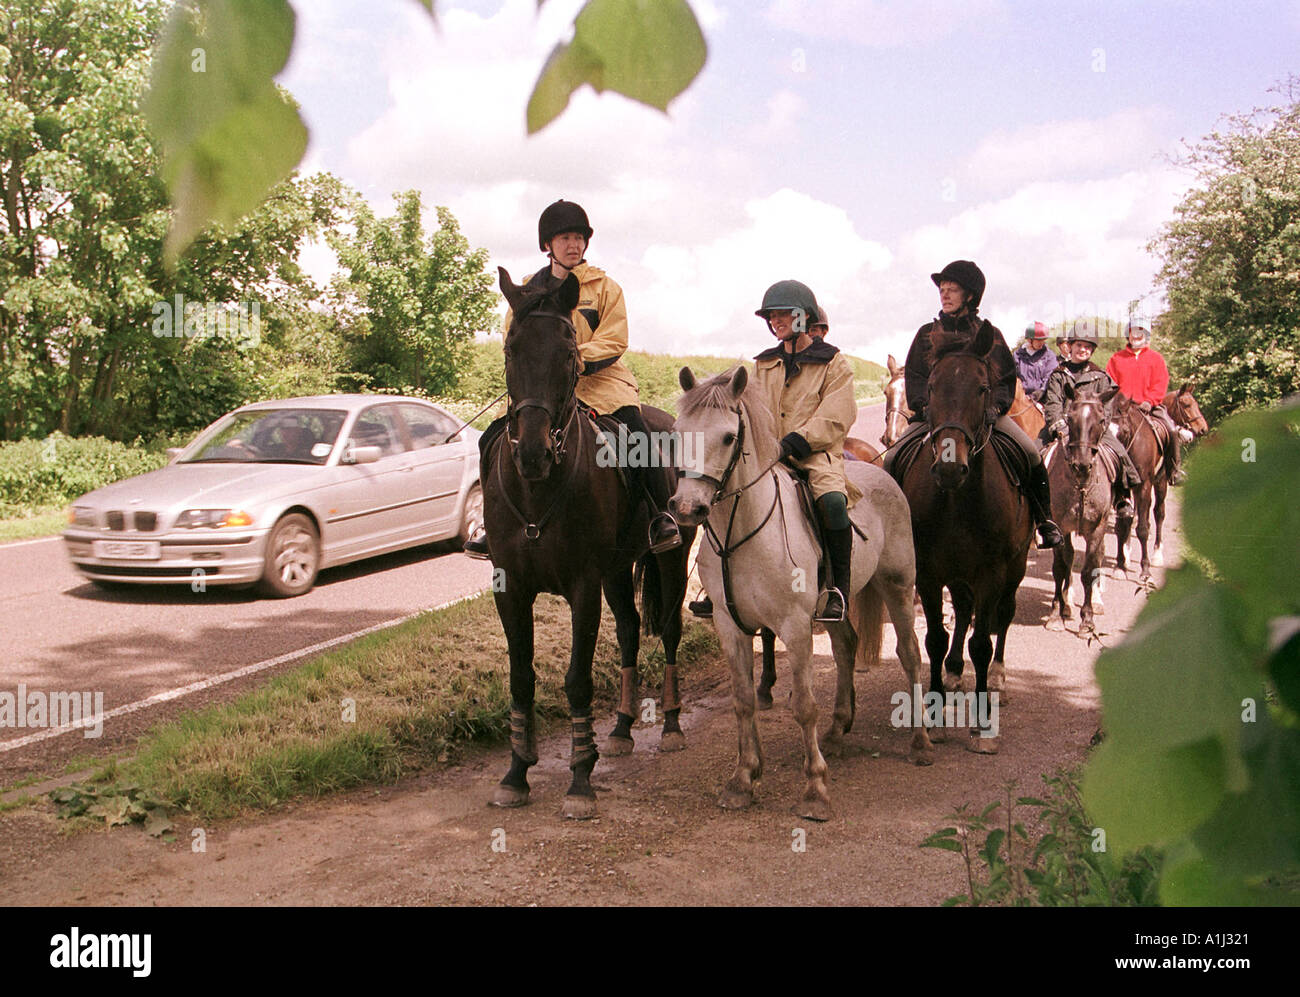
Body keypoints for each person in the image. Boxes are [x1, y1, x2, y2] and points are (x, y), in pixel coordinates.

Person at [463, 199, 681, 558]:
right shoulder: (525, 293)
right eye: (565, 237)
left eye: (579, 238)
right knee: (491, 438)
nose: (574, 245)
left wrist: (576, 359)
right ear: (548, 244)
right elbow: (514, 339)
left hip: (602, 386)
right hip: (543, 392)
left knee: (638, 436)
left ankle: (659, 517)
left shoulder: (604, 288)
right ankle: (491, 524)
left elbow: (614, 338)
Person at [690, 281, 859, 624]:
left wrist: (795, 441)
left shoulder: (834, 363)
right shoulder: (763, 364)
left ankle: (837, 588)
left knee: (833, 503)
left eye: (782, 314)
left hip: (814, 455)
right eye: (772, 316)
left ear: (803, 316)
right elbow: (749, 409)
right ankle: (716, 586)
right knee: (722, 494)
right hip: (767, 456)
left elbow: (837, 415)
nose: (775, 321)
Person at [882, 260, 1063, 548]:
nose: (945, 294)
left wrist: (995, 409)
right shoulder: (926, 335)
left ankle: (1044, 521)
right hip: (934, 418)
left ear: (970, 295)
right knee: (891, 459)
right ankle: (887, 528)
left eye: (952, 289)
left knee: (1031, 455)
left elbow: (1005, 379)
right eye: (943, 289)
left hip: (982, 418)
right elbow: (915, 376)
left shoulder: (989, 335)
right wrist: (923, 407)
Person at [1040, 319, 1142, 517]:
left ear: (1092, 350)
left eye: (1087, 347)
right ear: (1070, 347)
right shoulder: (1058, 375)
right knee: (1034, 454)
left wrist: (1098, 430)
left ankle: (1123, 498)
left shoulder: (1100, 377)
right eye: (1079, 345)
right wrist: (1060, 427)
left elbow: (1107, 408)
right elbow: (1052, 404)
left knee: (1120, 453)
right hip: (1063, 428)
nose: (1083, 350)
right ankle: (1033, 501)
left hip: (1092, 431)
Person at [1105, 322, 1185, 484]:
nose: (1136, 335)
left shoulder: (1156, 358)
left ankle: (1174, 470)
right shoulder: (1116, 358)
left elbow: (1160, 383)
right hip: (1122, 410)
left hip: (1150, 407)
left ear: (1146, 335)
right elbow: (1110, 384)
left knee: (1171, 430)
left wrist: (1150, 401)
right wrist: (1119, 403)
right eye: (1133, 332)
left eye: (1140, 332)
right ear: (1128, 335)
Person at [1014, 321, 1058, 402]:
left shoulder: (1049, 356)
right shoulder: (1017, 356)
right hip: (1021, 399)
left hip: (1042, 399)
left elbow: (1049, 378)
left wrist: (1036, 395)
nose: (1042, 343)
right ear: (1029, 340)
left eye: (1043, 340)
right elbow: (1014, 378)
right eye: (1038, 340)